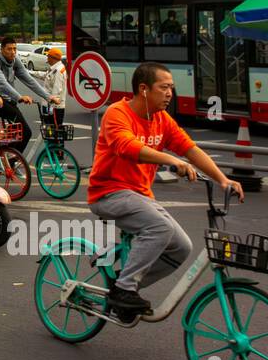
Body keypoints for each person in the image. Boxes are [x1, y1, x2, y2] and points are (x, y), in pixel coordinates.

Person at [88, 62, 242, 318]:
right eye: (164, 87)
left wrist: (222, 180)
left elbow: (189, 149)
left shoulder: (161, 119)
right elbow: (126, 147)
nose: (170, 93)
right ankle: (124, 289)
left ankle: (123, 287)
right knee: (161, 228)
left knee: (181, 246)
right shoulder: (118, 113)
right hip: (109, 193)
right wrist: (170, 160)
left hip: (140, 196)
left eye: (172, 87)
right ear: (144, 89)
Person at [0, 37, 51, 150]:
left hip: (9, 101)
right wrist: (20, 97)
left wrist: (48, 97)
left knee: (16, 134)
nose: (13, 52)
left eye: (15, 49)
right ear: (2, 50)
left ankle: (6, 156)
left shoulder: (15, 60)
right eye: (9, 49)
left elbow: (29, 80)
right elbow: (2, 84)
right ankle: (12, 161)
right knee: (26, 132)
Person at [42, 48, 67, 127]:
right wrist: (27, 73)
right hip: (49, 105)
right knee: (48, 130)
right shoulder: (54, 68)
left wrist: (51, 109)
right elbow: (44, 75)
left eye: (48, 56)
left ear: (52, 58)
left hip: (54, 107)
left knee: (54, 131)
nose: (47, 58)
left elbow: (57, 90)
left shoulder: (59, 70)